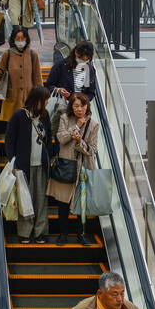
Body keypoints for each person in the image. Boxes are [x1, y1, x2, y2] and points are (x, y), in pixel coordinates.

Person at [5, 86, 57, 244]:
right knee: (25, 200)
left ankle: (40, 232)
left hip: (41, 165)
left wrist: (53, 153)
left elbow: (48, 138)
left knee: (41, 200)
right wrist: (12, 162)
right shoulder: (19, 116)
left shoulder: (45, 116)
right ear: (37, 100)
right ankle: (25, 232)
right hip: (22, 165)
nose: (48, 102)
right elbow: (9, 140)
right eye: (45, 99)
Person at [47, 92, 99, 245]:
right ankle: (63, 235)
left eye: (83, 106)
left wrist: (79, 142)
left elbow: (92, 150)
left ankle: (80, 234)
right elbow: (61, 138)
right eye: (76, 106)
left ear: (87, 106)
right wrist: (77, 127)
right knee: (62, 204)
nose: (80, 109)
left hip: (83, 169)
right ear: (71, 106)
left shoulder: (94, 124)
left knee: (82, 204)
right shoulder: (64, 118)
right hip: (65, 166)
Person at [0, 26, 42, 123]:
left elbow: (37, 77)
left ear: (27, 39)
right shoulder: (7, 54)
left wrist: (41, 96)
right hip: (12, 99)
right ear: (13, 39)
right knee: (13, 128)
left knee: (27, 128)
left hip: (29, 99)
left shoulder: (32, 54)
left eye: (22, 38)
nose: (20, 41)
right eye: (17, 38)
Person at [45, 39, 98, 105]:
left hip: (81, 108)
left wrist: (82, 101)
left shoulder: (90, 70)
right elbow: (48, 85)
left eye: (86, 60)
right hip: (62, 106)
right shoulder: (61, 66)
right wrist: (58, 90)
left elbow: (91, 92)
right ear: (76, 52)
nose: (83, 61)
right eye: (80, 58)